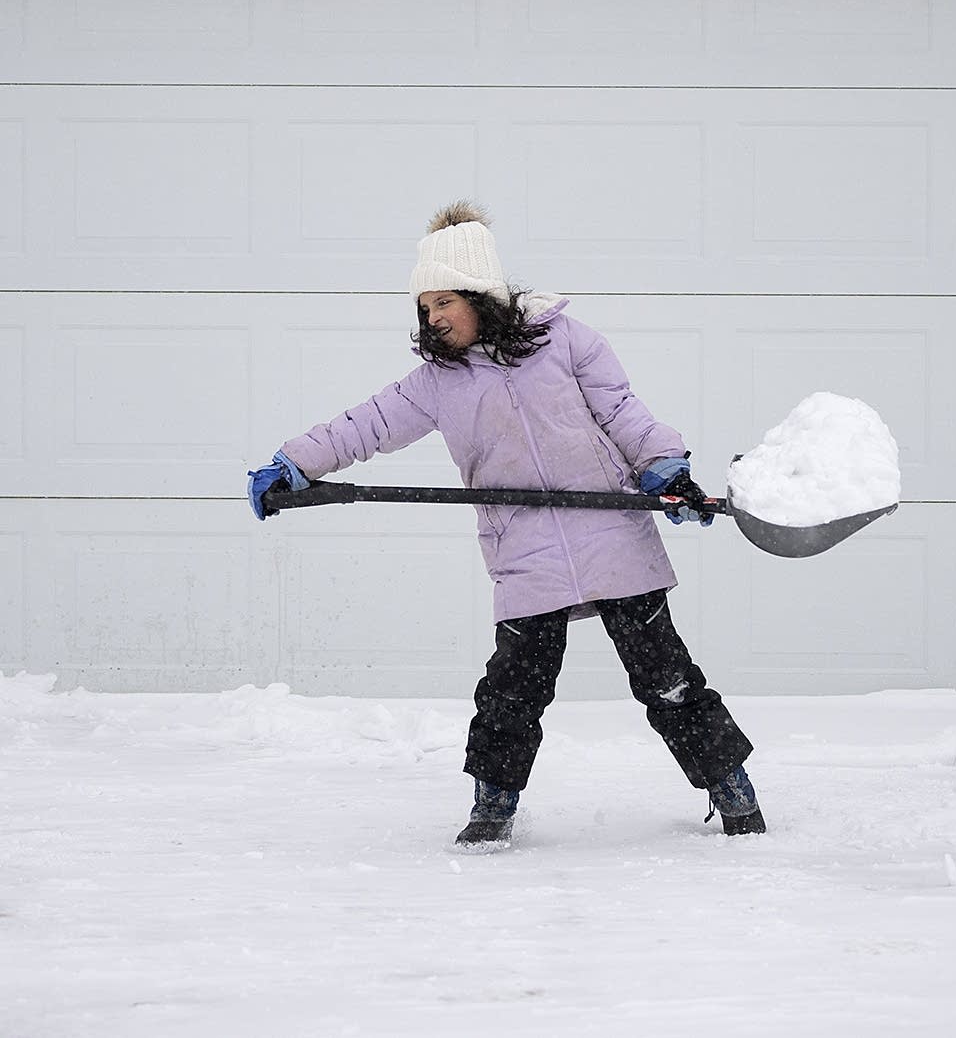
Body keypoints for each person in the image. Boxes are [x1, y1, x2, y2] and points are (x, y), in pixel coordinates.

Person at [246, 201, 764, 848]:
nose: (432, 317)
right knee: (512, 690)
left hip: (612, 537)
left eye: (443, 302)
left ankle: (730, 786)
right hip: (525, 552)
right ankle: (492, 805)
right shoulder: (438, 383)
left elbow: (623, 412)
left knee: (669, 678)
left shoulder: (565, 339)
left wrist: (665, 470)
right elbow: (366, 425)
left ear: (480, 295)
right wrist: (294, 463)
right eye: (424, 307)